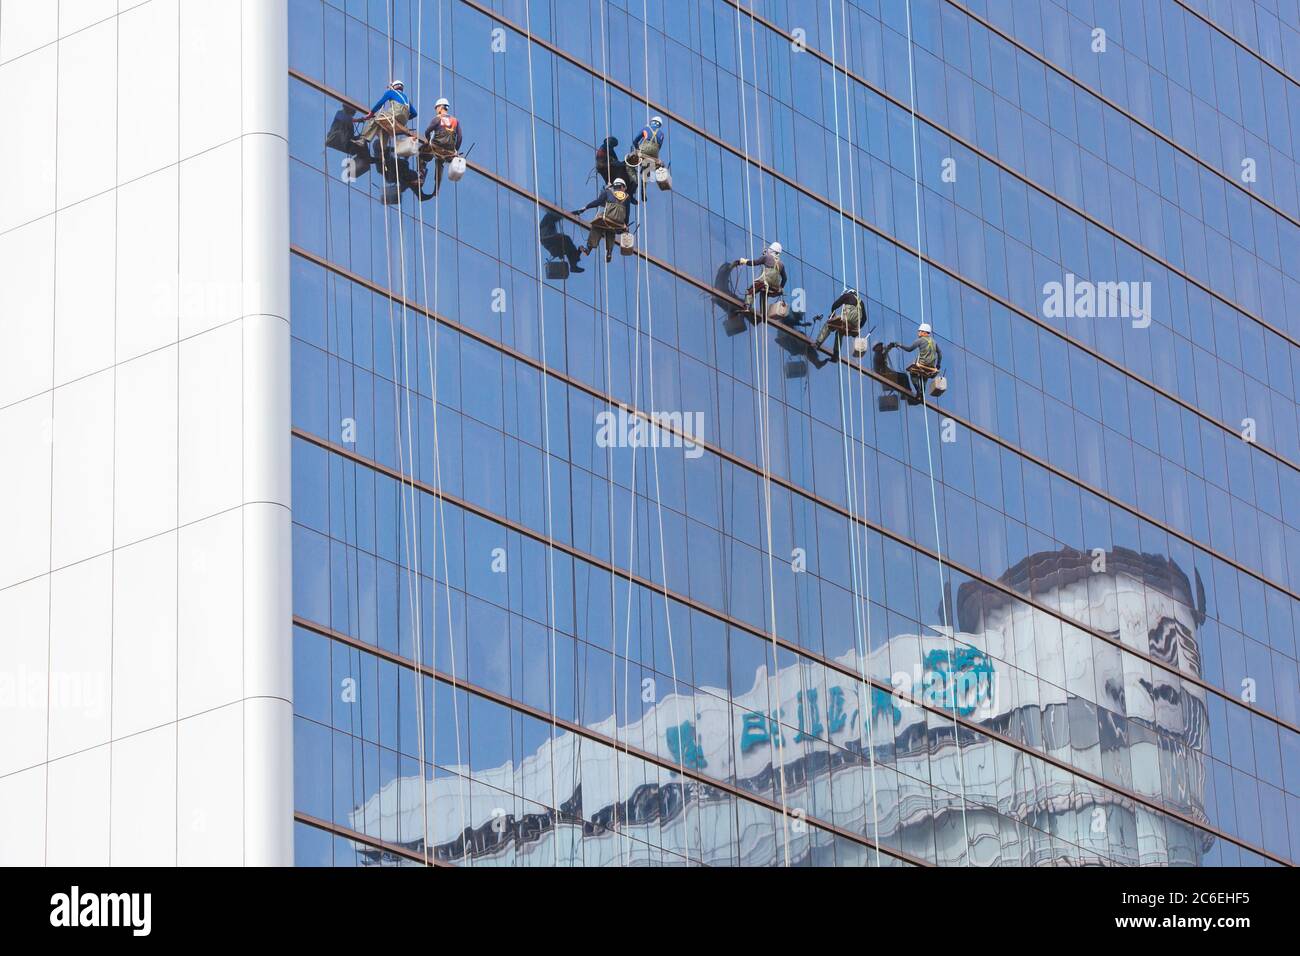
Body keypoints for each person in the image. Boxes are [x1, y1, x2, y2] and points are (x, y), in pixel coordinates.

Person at [575, 177, 632, 263]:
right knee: (611, 229)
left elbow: (598, 202)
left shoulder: (608, 192)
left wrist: (586, 207)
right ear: (622, 187)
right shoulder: (627, 197)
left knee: (597, 226)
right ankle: (609, 252)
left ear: (615, 186)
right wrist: (626, 225)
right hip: (618, 223)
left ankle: (588, 248)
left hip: (607, 218)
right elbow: (627, 213)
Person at [420, 97, 463, 195]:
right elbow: (460, 137)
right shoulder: (455, 121)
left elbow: (427, 131)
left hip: (436, 146)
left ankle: (421, 175)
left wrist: (428, 141)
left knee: (421, 152)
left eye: (436, 108)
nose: (436, 110)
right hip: (449, 151)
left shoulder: (437, 119)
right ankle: (436, 189)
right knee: (440, 163)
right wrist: (456, 150)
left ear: (441, 107)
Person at [890, 322, 942, 398]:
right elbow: (940, 354)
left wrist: (899, 344)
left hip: (922, 363)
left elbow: (909, 349)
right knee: (924, 378)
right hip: (931, 366)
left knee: (912, 373)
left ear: (925, 332)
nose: (918, 333)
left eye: (920, 331)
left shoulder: (919, 340)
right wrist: (938, 365)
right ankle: (922, 394)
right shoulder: (934, 342)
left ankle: (918, 391)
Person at [357, 80, 416, 147]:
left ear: (394, 86)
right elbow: (414, 113)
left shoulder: (391, 92)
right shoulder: (407, 99)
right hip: (403, 121)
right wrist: (405, 117)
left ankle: (362, 139)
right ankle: (383, 148)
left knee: (375, 119)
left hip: (395, 113)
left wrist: (371, 113)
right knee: (385, 129)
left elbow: (380, 103)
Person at [735, 241, 786, 313]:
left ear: (771, 250)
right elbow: (785, 278)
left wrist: (744, 261)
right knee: (764, 293)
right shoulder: (781, 264)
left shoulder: (766, 257)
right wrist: (781, 287)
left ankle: (747, 307)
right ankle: (763, 313)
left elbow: (754, 263)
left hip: (764, 282)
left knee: (750, 291)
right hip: (774, 287)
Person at [813, 288, 865, 354]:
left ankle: (817, 343)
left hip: (846, 319)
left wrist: (832, 314)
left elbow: (835, 305)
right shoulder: (861, 303)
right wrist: (857, 328)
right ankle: (836, 353)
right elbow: (864, 319)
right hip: (854, 325)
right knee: (840, 332)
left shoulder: (848, 295)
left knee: (828, 325)